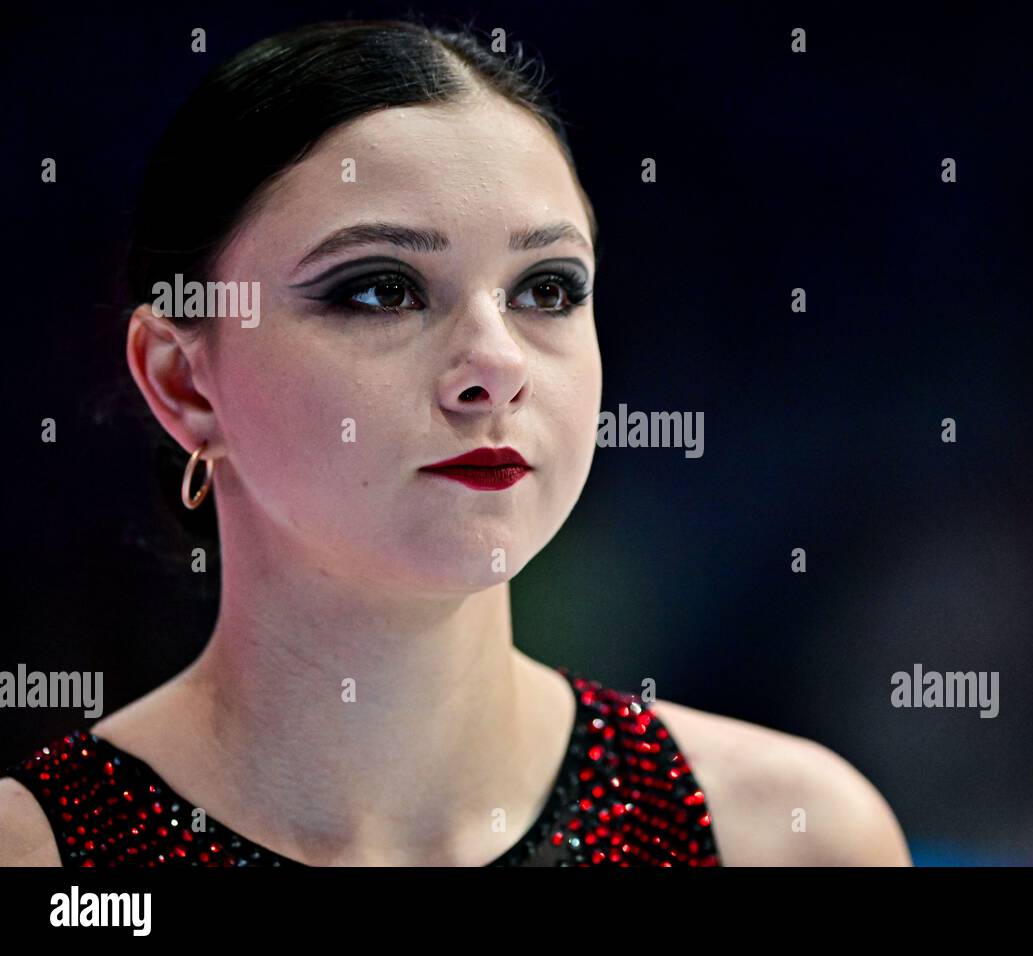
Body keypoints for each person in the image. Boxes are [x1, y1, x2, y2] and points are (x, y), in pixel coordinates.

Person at [0, 18, 910, 867]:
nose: (496, 364)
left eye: (547, 289)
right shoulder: (39, 852)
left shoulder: (788, 836)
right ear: (182, 380)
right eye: (380, 289)